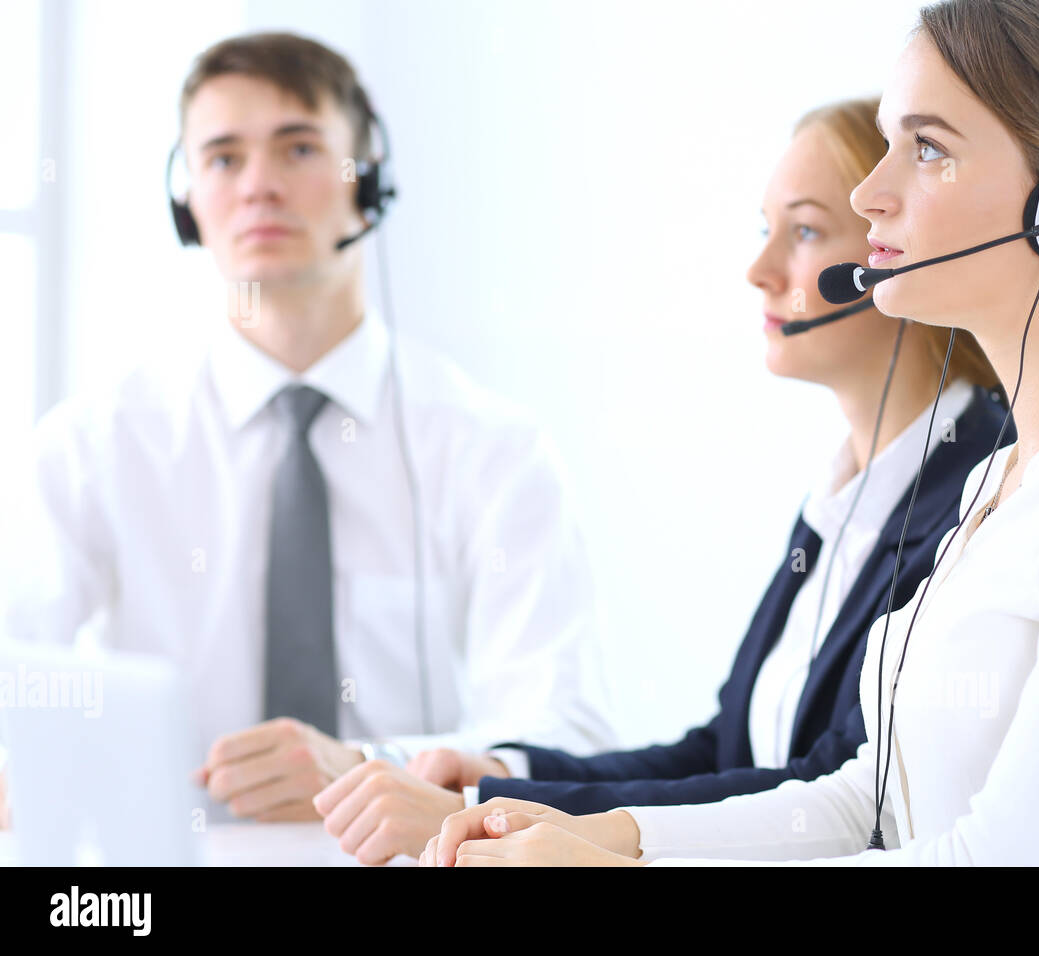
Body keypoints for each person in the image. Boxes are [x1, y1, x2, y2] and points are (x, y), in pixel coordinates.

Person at [423, 0, 1039, 867]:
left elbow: (1010, 859)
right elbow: (862, 798)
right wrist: (608, 834)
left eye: (927, 148)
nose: (870, 194)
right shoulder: (996, 480)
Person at [312, 97, 1016, 865]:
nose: (759, 270)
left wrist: (498, 815)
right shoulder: (844, 497)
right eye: (765, 229)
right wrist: (508, 776)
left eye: (806, 232)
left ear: (896, 252)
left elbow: (838, 789)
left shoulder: (984, 490)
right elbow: (725, 749)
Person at [0, 32, 612, 825]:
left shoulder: (491, 449)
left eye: (298, 148)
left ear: (371, 184)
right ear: (186, 202)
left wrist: (372, 767)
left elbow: (568, 732)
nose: (259, 185)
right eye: (222, 158)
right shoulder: (92, 445)